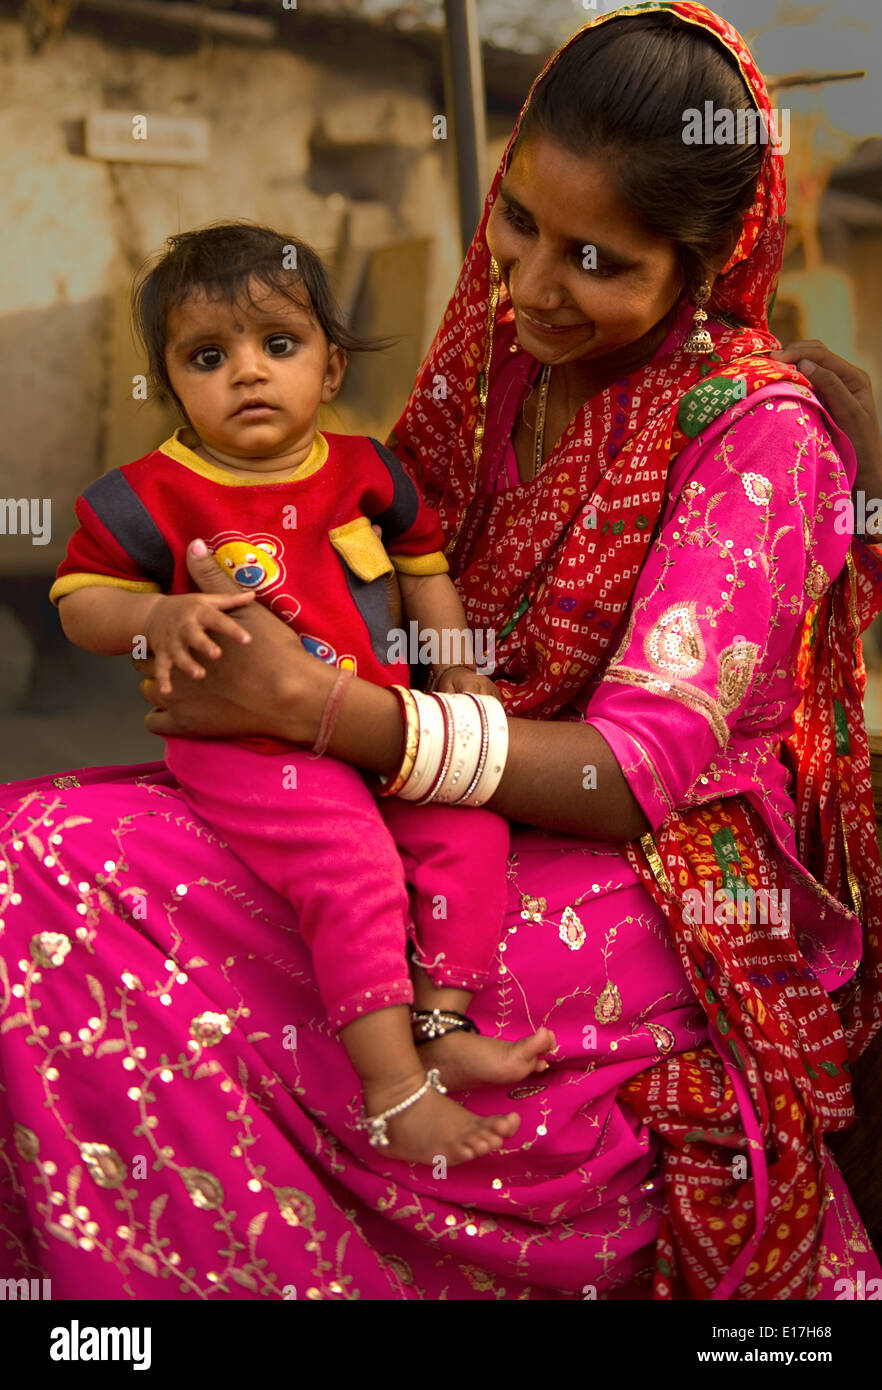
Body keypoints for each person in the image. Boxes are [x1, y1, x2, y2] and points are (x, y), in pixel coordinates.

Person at [2, 1, 881, 1300]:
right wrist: (220, 626)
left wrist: (318, 708)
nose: (526, 283)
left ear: (698, 265)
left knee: (196, 938)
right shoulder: (497, 375)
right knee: (37, 855)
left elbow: (635, 769)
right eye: (519, 221)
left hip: (654, 866)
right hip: (422, 774)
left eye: (595, 259)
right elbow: (381, 584)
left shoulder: (755, 440)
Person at [50, 223, 554, 1166]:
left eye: (277, 346)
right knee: (354, 864)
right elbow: (81, 602)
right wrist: (153, 620)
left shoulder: (368, 474)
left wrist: (451, 664)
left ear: (327, 370)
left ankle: (441, 1031)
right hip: (251, 747)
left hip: (378, 734)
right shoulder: (151, 494)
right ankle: (395, 1092)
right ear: (170, 385)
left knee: (472, 834)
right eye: (209, 356)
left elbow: (426, 568)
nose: (247, 373)